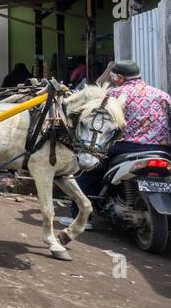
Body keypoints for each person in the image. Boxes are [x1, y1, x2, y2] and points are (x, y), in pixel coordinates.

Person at [72, 59, 171, 213]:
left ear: (119, 77)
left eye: (113, 76)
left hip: (125, 148)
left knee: (88, 172)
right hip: (160, 150)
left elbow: (99, 121)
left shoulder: (113, 95)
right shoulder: (162, 95)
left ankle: (79, 218)